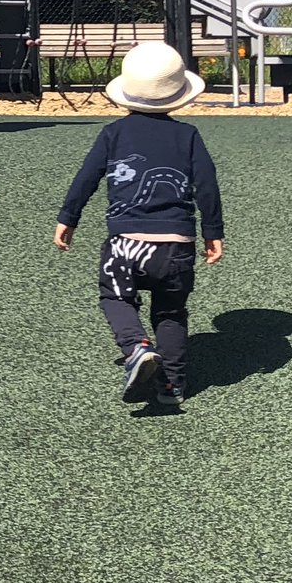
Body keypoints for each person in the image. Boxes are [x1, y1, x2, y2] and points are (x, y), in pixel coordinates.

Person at [53, 41, 225, 410]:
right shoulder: (188, 135)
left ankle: (136, 347)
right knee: (170, 312)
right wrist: (213, 232)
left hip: (125, 244)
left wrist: (68, 217)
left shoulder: (113, 133)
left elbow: (87, 177)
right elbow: (207, 185)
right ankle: (172, 386)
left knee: (115, 296)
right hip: (176, 245)